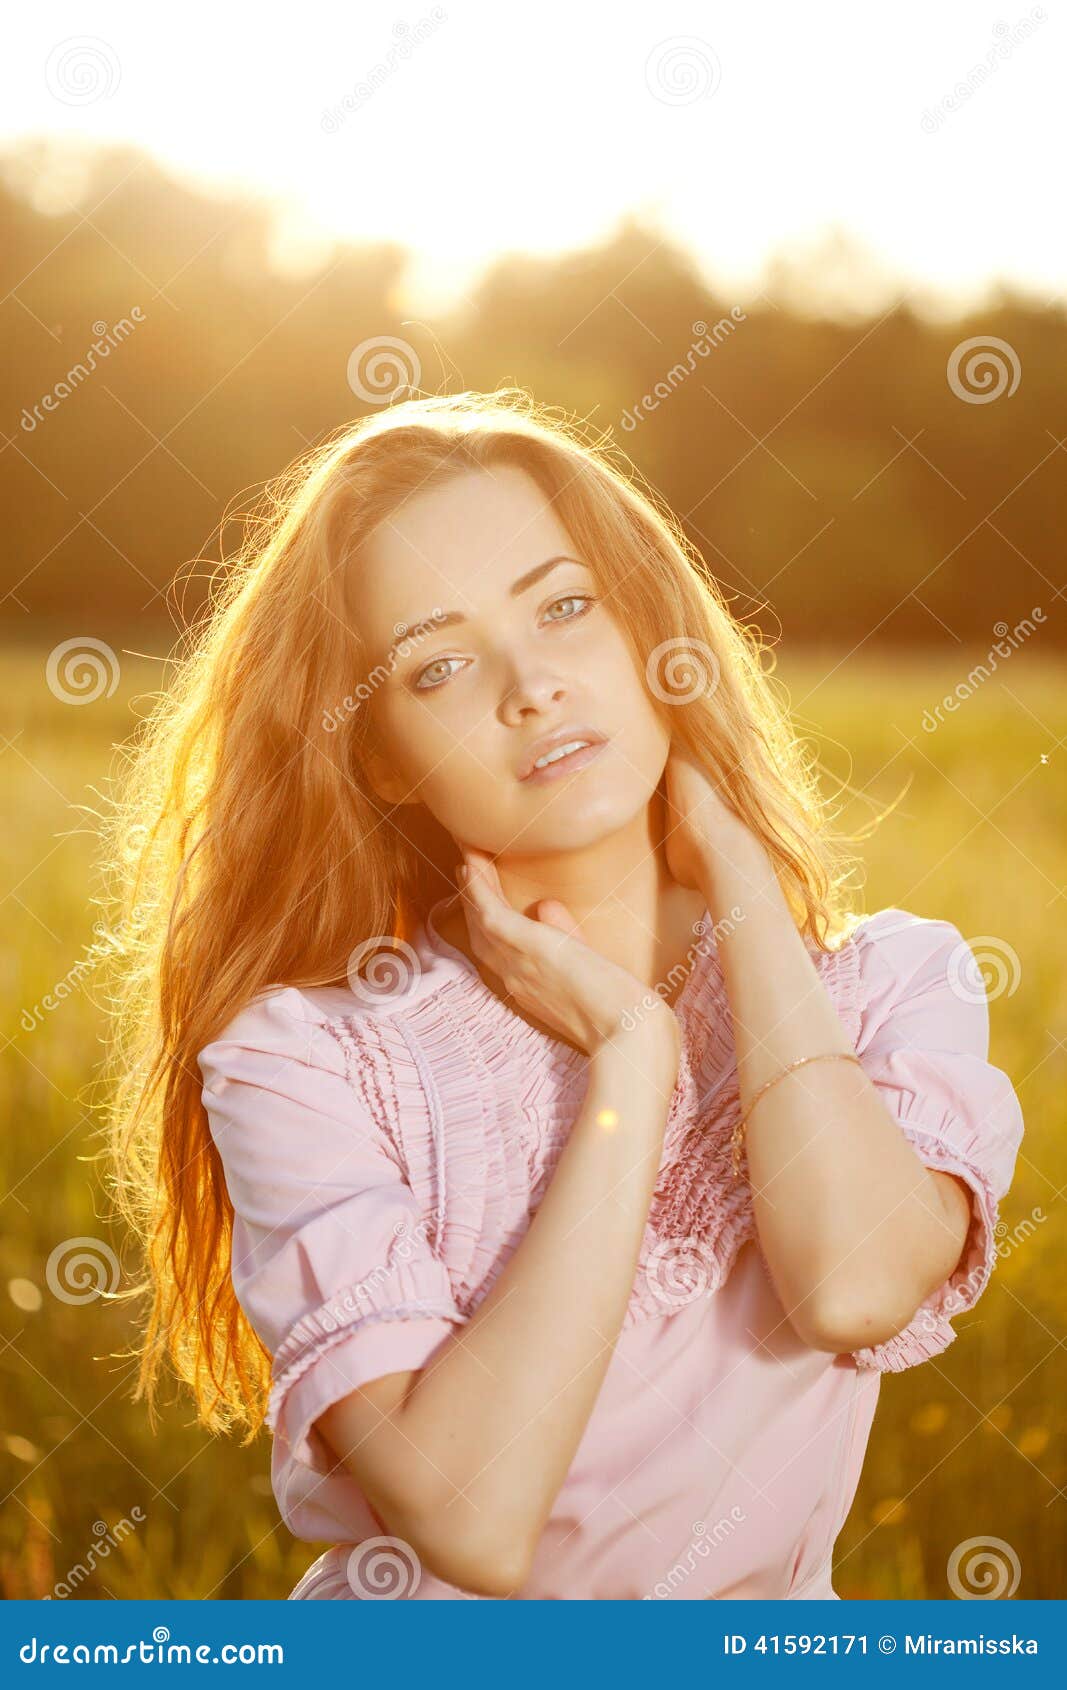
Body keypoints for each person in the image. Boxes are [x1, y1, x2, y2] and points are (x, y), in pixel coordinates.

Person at [102, 389, 1024, 1600]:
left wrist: (741, 881)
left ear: (652, 633)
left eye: (565, 607)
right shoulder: (302, 1055)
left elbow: (849, 1288)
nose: (528, 684)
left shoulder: (892, 983)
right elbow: (474, 1528)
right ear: (378, 753)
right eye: (437, 666)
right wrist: (630, 1057)